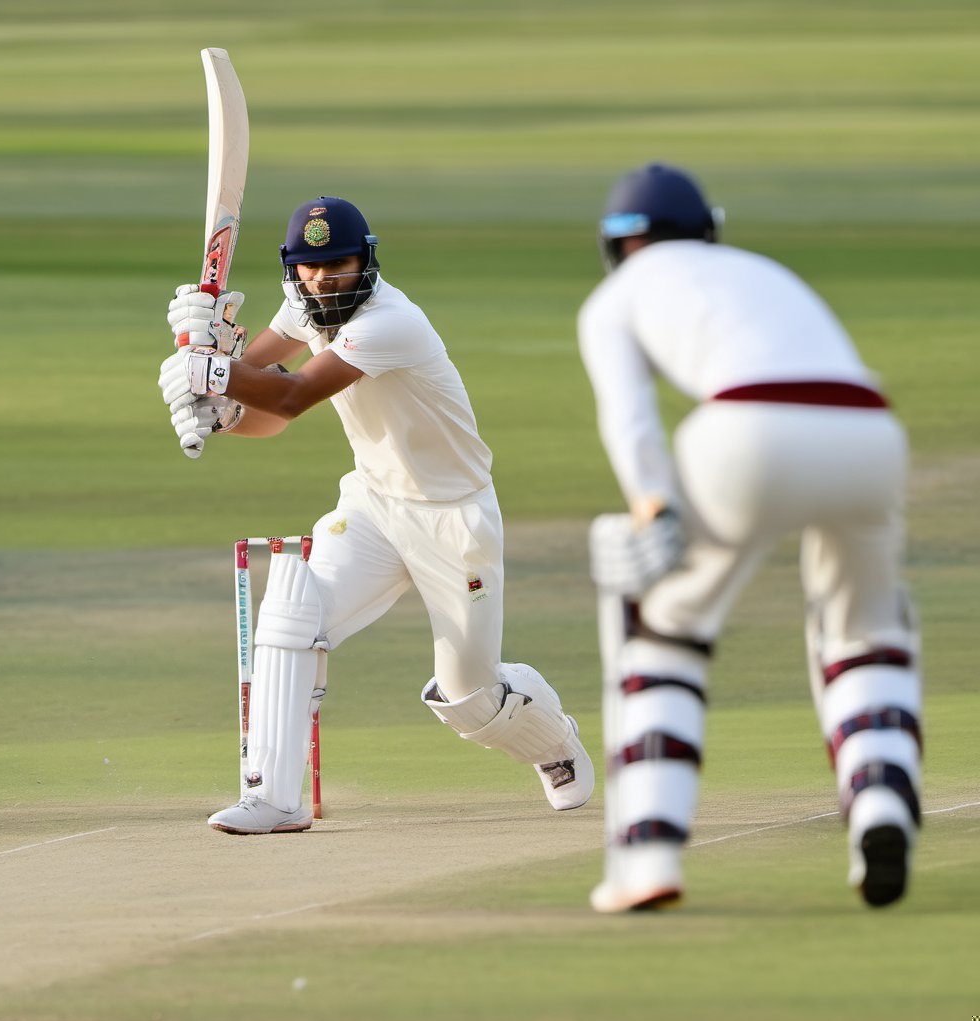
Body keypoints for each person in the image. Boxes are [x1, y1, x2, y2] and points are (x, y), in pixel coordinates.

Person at [158, 195, 594, 834]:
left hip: (454, 521)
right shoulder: (306, 308)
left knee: (469, 699)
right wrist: (210, 362)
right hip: (373, 505)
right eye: (309, 268)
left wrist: (214, 371)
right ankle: (274, 800)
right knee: (291, 614)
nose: (322, 278)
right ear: (293, 270)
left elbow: (294, 393)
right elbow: (261, 401)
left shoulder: (391, 321)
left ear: (366, 260)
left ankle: (552, 740)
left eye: (337, 263)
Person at [578, 163, 922, 912]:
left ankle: (649, 858)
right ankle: (882, 809)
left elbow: (629, 418)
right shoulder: (756, 268)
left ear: (615, 245)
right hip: (869, 428)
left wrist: (653, 508)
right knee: (866, 633)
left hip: (747, 431)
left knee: (666, 635)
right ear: (708, 229)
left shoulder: (614, 297)